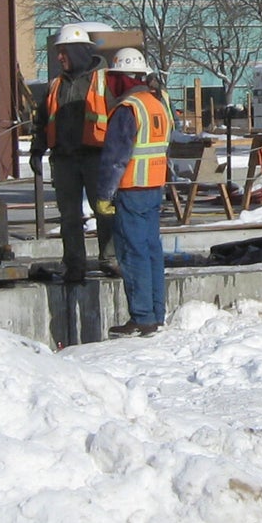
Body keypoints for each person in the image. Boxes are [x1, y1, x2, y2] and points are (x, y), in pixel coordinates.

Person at [91, 48, 172, 338]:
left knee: (133, 253)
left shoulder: (128, 109)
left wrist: (104, 194)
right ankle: (155, 313)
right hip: (154, 187)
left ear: (122, 78)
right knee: (151, 251)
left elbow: (116, 158)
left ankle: (142, 317)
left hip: (132, 189)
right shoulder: (157, 104)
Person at [30, 25, 115, 284]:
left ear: (78, 51)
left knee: (105, 211)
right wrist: (37, 149)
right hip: (65, 159)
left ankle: (110, 259)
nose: (59, 57)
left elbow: (121, 118)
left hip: (97, 157)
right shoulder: (56, 85)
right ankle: (74, 265)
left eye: (63, 52)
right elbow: (42, 120)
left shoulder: (105, 81)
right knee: (69, 216)